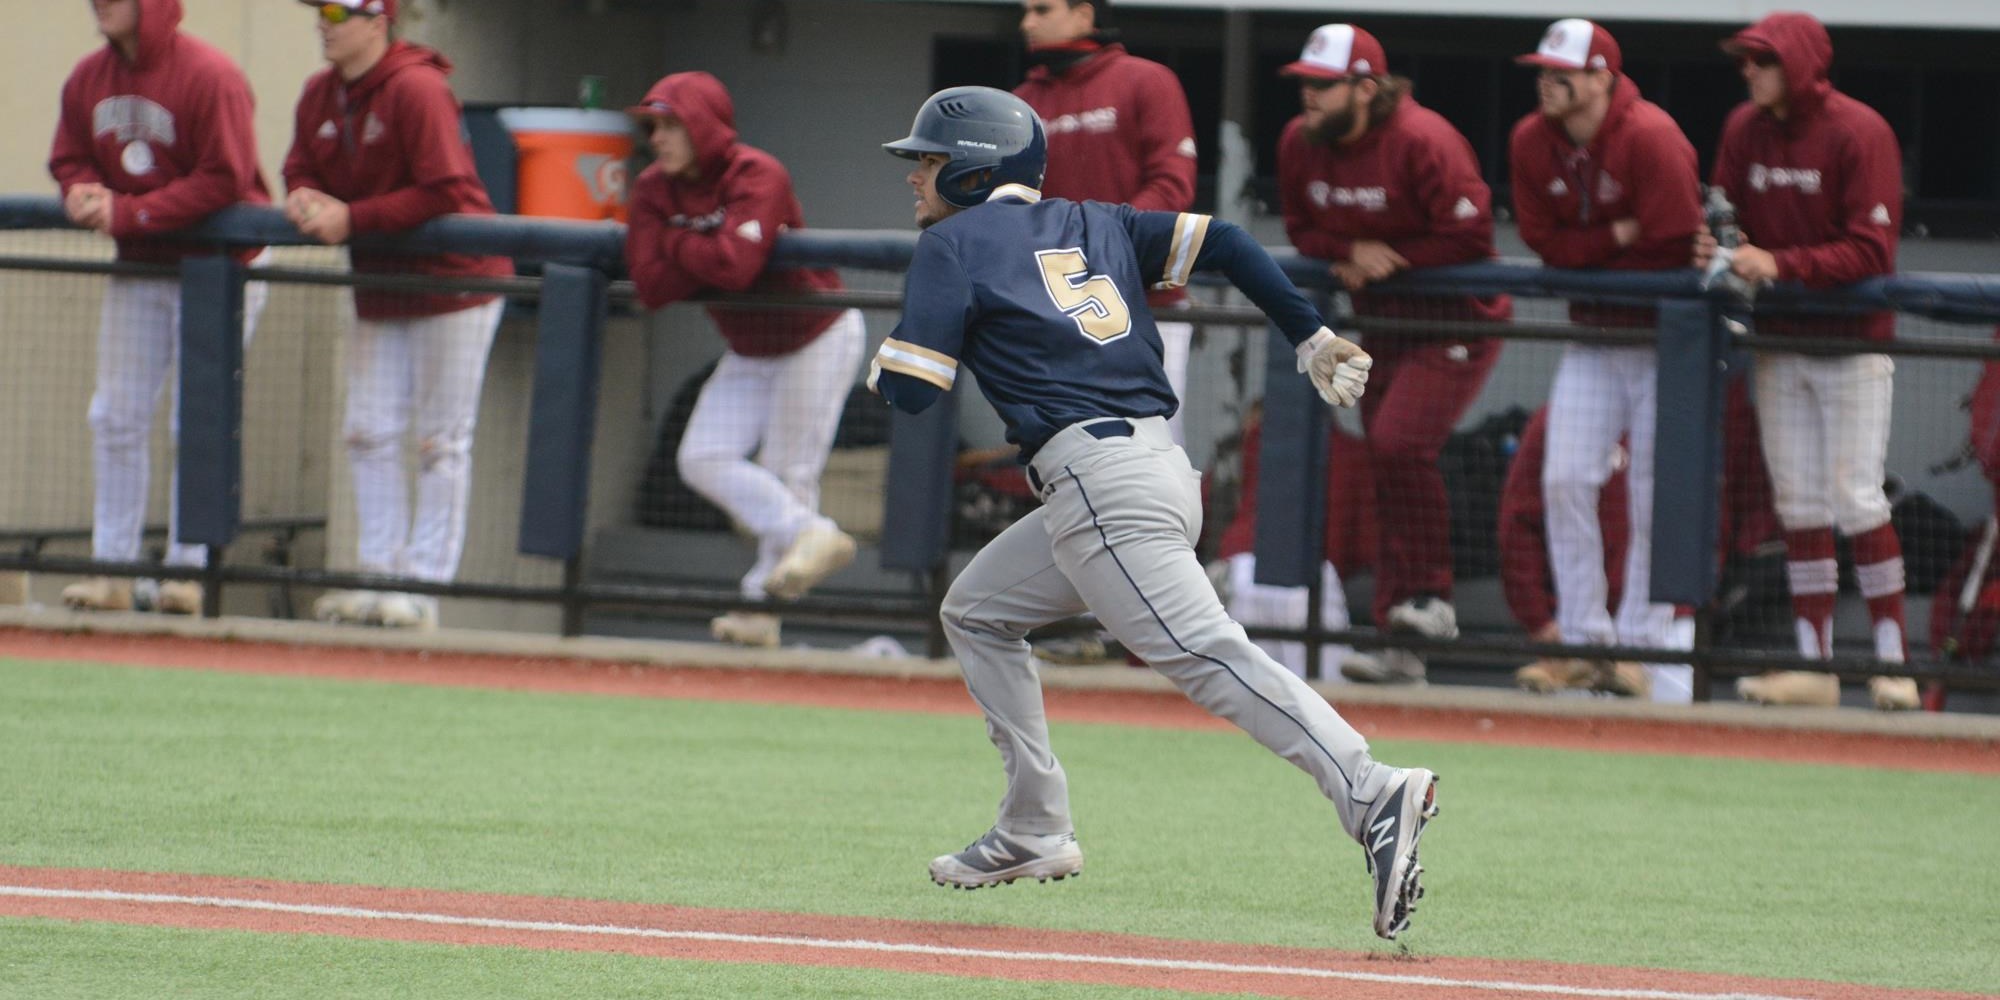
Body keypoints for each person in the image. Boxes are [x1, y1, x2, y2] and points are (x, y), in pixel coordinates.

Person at [875, 86, 1437, 941]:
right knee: (977, 611)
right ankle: (1033, 825)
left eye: (928, 161)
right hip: (1148, 472)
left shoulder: (952, 241)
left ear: (973, 171)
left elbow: (914, 393)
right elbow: (1231, 242)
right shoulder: (1096, 219)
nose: (916, 176)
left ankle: (1369, 790)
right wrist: (1311, 335)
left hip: (1101, 486)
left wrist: (887, 363)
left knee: (1206, 654)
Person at [1695, 12, 1918, 710]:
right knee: (1796, 502)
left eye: (1761, 59)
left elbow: (1872, 252)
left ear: (1796, 64)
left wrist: (1779, 263)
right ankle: (1814, 665)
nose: (1748, 71)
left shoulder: (1859, 130)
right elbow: (1726, 213)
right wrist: (1717, 245)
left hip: (1851, 342)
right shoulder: (1744, 127)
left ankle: (1894, 665)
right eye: (1745, 59)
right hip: (1779, 341)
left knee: (1857, 498)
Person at [1275, 24, 1509, 685]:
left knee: (1399, 443)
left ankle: (1432, 598)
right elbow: (1301, 229)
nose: (1309, 97)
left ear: (1365, 88)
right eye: (1305, 84)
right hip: (1386, 326)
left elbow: (1472, 236)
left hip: (1458, 321)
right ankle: (1399, 642)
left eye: (1323, 86)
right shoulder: (1299, 142)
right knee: (1384, 459)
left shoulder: (1422, 137)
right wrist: (1350, 252)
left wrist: (1393, 259)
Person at [282, 0, 512, 630]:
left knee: (441, 443)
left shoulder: (417, 87)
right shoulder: (319, 93)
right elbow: (300, 165)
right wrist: (303, 195)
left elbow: (444, 188)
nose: (324, 23)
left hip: (457, 282)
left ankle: (419, 590)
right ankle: (379, 575)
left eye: (338, 12)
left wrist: (353, 218)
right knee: (367, 431)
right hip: (383, 282)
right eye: (321, 11)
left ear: (377, 21)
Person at [625, 72, 866, 647]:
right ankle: (811, 532)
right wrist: (702, 246)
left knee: (790, 469)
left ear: (703, 126)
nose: (658, 138)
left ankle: (761, 606)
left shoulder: (757, 172)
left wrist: (674, 241)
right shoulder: (653, 187)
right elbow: (650, 285)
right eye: (653, 126)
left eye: (670, 125)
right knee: (700, 457)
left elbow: (735, 268)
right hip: (749, 345)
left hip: (815, 332)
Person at [49, 0, 271, 615]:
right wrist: (79, 188)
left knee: (193, 419)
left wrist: (130, 211)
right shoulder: (88, 77)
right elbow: (68, 155)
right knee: (114, 415)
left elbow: (225, 178)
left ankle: (188, 571)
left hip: (219, 265)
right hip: (143, 263)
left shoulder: (210, 75)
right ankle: (112, 569)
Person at [1508, 19, 1703, 695]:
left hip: (1664, 341)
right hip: (1593, 335)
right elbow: (1543, 242)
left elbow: (1675, 239)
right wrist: (1615, 236)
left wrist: (1586, 250)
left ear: (1601, 78)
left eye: (1561, 73)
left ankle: (1639, 646)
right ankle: (1586, 639)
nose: (1546, 82)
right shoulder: (1531, 139)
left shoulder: (1650, 134)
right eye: (1543, 70)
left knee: (1649, 492)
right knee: (1564, 478)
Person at [1013, 0, 1199, 446]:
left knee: (1154, 447)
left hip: (1150, 304)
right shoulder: (1022, 102)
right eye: (1025, 11)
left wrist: (1100, 242)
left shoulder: (1147, 79)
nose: (1027, 22)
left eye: (1042, 9)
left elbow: (1172, 186)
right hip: (1058, 308)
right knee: (1061, 448)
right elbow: (1011, 206)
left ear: (1084, 15)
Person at [1209, 407, 1379, 680]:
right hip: (1310, 582)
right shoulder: (1355, 453)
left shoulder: (1257, 441)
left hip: (1240, 573)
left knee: (1247, 688)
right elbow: (1366, 548)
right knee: (1319, 693)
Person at [1497, 407, 1647, 698]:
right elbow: (1519, 524)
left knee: (1674, 720)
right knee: (1574, 720)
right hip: (1570, 630)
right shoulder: (1558, 417)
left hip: (1666, 628)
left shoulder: (1678, 416)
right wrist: (1537, 617)